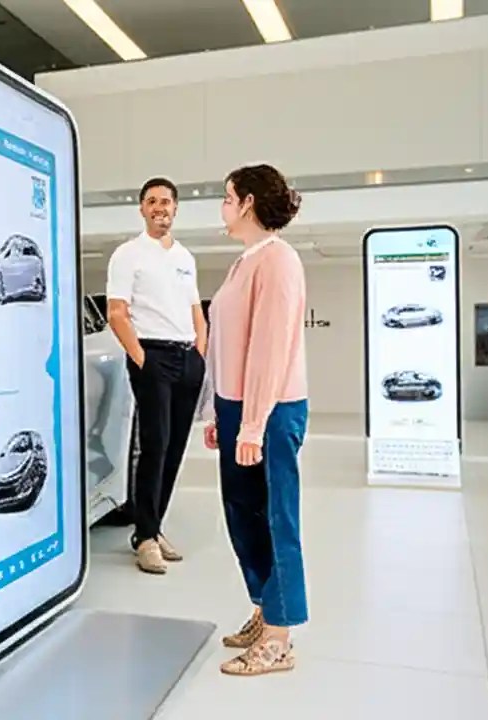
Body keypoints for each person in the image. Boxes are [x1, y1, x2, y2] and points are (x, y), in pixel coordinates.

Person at [199, 163, 308, 676]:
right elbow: (225, 343)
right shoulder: (244, 262)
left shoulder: (278, 261)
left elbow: (269, 350)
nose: (222, 205)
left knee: (276, 518)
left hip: (271, 409)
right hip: (237, 405)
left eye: (226, 197)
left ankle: (281, 637)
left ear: (247, 203)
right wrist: (218, 410)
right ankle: (266, 609)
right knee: (243, 516)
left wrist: (252, 424)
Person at [106, 177, 207, 574]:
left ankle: (154, 526)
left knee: (176, 448)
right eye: (151, 201)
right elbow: (117, 312)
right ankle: (144, 537)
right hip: (153, 356)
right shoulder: (128, 254)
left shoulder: (185, 257)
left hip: (187, 359)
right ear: (142, 209)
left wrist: (200, 351)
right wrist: (142, 359)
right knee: (155, 445)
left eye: (166, 201)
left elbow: (196, 308)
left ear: (176, 208)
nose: (159, 207)